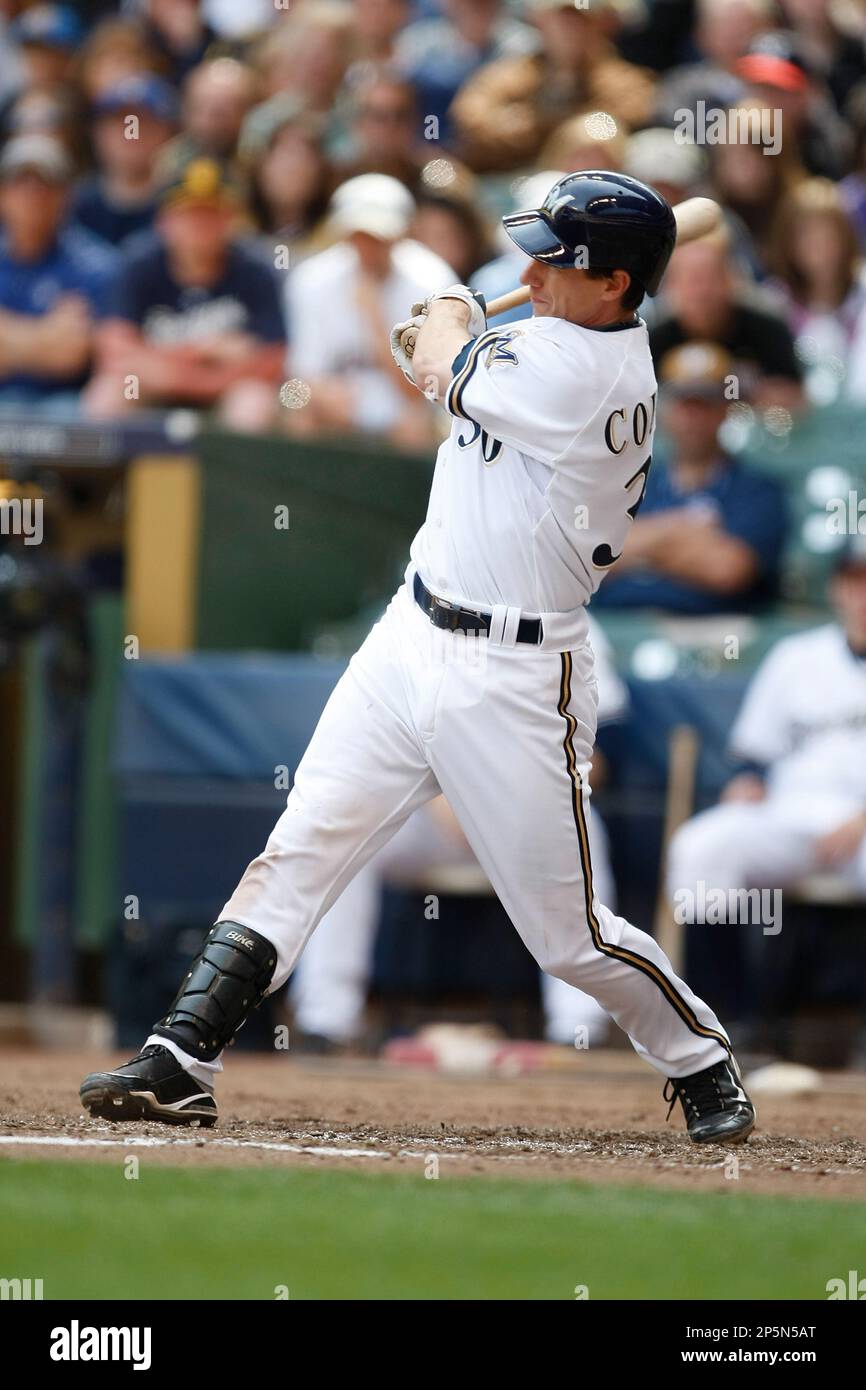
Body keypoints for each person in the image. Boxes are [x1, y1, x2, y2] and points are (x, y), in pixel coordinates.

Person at [81, 170, 755, 1145]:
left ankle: (697, 1054)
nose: (530, 267)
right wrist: (439, 334)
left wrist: (441, 321)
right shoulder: (557, 324)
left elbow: (444, 360)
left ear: (613, 284)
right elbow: (440, 358)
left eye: (554, 258)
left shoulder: (594, 376)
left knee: (565, 933)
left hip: (517, 671)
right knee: (302, 844)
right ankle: (181, 1053)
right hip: (412, 629)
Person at [290, 613, 626, 1052]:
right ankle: (326, 1020)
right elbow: (381, 739)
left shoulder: (570, 622)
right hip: (431, 813)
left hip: (530, 816)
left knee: (587, 830)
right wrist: (445, 795)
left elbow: (601, 759)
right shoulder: (420, 613)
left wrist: (512, 803)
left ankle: (580, 1026)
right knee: (351, 829)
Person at [667, 536, 866, 918]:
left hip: (859, 824)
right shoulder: (796, 657)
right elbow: (754, 755)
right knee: (701, 848)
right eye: (855, 581)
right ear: (836, 588)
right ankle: (715, 982)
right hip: (791, 813)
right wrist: (748, 780)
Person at [83, 157, 285, 431]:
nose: (200, 226)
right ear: (164, 221)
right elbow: (113, 350)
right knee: (108, 394)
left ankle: (233, 475)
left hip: (225, 389)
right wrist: (201, 353)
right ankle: (111, 476)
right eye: (189, 214)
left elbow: (274, 361)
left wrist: (197, 379)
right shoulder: (138, 263)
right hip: (155, 383)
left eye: (212, 214)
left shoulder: (257, 270)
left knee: (254, 404)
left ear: (231, 220)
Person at [593, 341, 789, 615]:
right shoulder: (629, 484)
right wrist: (680, 530)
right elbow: (591, 561)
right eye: (684, 403)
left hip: (717, 636)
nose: (692, 417)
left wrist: (637, 548)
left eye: (704, 404)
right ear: (666, 409)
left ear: (724, 411)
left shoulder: (757, 490)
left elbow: (726, 570)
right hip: (621, 627)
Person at [282, 172, 455, 450]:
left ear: (401, 234)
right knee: (300, 412)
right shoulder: (312, 280)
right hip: (344, 400)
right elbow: (304, 374)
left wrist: (374, 319)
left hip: (406, 406)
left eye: (377, 236)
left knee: (416, 426)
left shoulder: (433, 282)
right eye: (358, 235)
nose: (367, 246)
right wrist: (326, 396)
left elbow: (425, 391)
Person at [450, 0, 654, 173]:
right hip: (511, 183)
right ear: (540, 22)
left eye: (580, 20)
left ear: (601, 25)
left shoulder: (625, 79)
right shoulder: (512, 74)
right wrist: (564, 120)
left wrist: (534, 121)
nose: (569, 30)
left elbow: (619, 119)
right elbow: (471, 117)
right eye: (560, 20)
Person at [0, 133, 118, 415]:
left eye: (45, 185)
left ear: (66, 195)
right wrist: (46, 334)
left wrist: (8, 334)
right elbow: (57, 347)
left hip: (66, 401)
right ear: (3, 194)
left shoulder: (95, 263)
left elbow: (70, 355)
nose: (32, 196)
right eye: (20, 184)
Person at [650, 233, 804, 411]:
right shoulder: (654, 344)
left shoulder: (768, 332)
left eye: (710, 277)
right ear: (671, 286)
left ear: (730, 279)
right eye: (692, 279)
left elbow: (795, 400)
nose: (702, 290)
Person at [72, 75, 178, 248]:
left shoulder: (181, 203)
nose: (133, 134)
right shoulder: (74, 205)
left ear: (167, 132)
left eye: (144, 122)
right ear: (98, 133)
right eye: (122, 122)